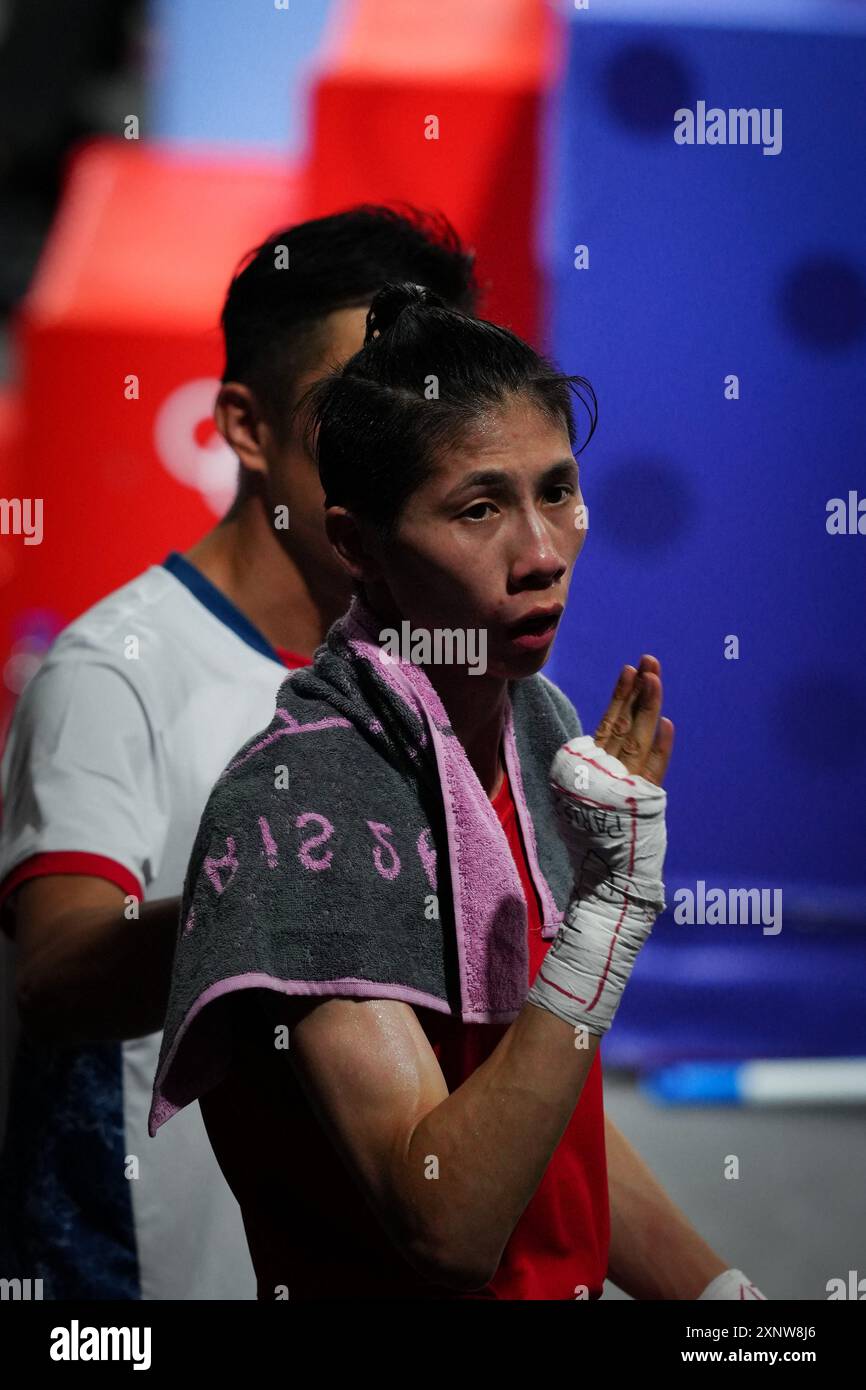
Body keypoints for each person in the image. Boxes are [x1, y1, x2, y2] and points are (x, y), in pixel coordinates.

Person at [149, 282, 766, 1301]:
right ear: (356, 545)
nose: (540, 555)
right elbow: (445, 1223)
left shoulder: (541, 728)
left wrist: (724, 1304)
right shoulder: (305, 807)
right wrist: (606, 915)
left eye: (557, 490)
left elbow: (541, 1115)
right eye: (478, 508)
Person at [0, 208, 480, 1299]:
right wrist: (278, 892)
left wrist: (717, 1289)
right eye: (349, 415)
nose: (390, 455)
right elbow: (56, 976)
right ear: (243, 425)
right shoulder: (112, 672)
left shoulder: (444, 678)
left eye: (420, 417)